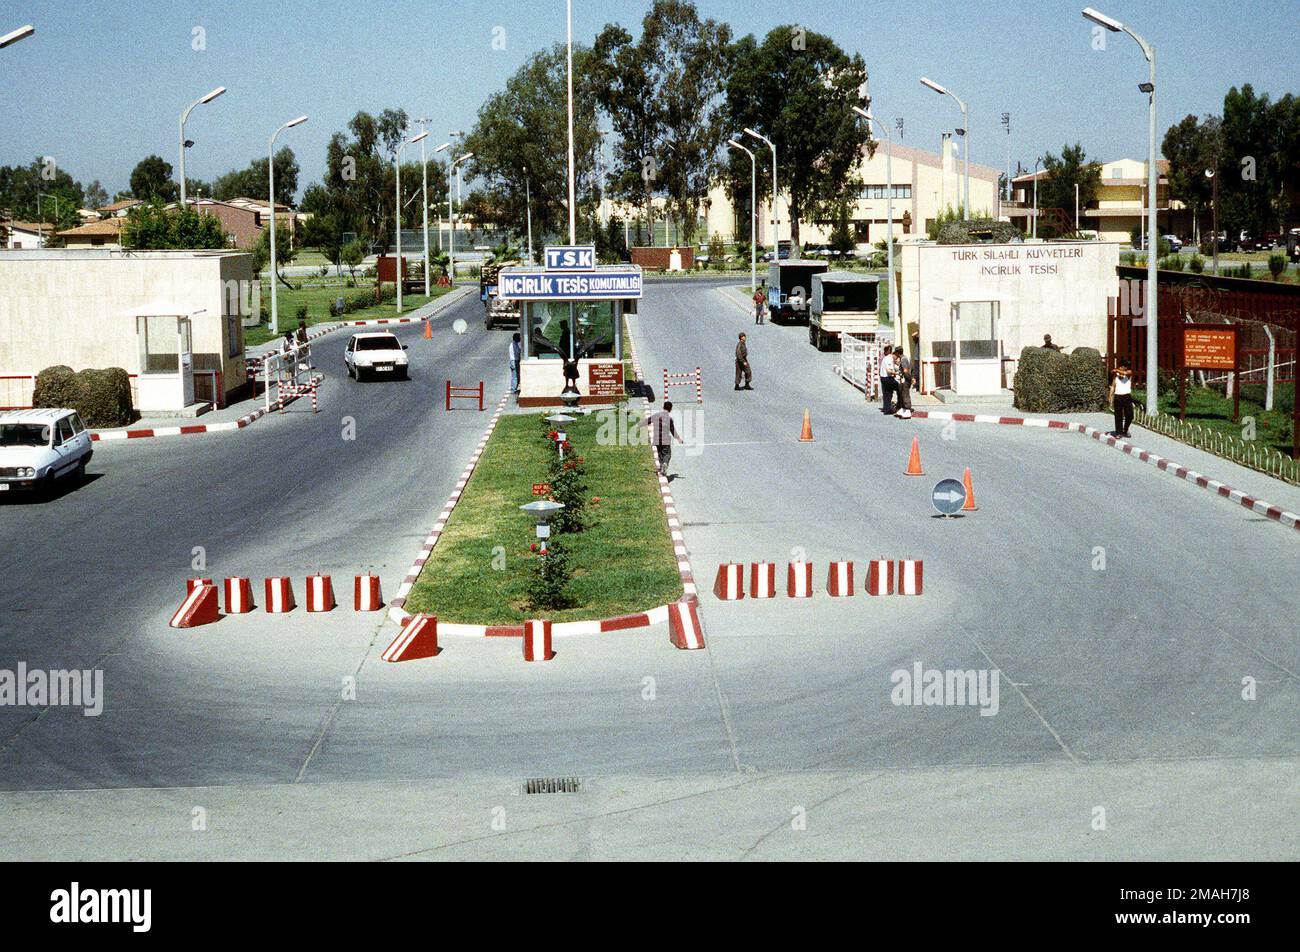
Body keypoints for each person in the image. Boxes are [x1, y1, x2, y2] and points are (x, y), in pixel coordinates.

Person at [645, 400, 683, 477]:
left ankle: (662, 466)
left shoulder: (656, 415)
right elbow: (672, 430)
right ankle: (664, 464)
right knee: (667, 454)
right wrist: (679, 439)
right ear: (670, 409)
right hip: (665, 440)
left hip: (656, 439)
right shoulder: (670, 419)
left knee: (660, 454)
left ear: (663, 407)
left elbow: (647, 421)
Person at [1108, 359, 1134, 438]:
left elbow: (1126, 373)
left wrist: (1116, 370)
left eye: (1123, 366)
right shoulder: (1116, 376)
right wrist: (1110, 396)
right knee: (1118, 415)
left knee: (1129, 415)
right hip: (1118, 397)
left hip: (1127, 396)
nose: (1121, 368)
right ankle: (1118, 432)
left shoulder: (1129, 373)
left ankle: (1125, 430)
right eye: (1120, 366)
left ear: (1125, 367)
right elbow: (1113, 386)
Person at [892, 346, 913, 418]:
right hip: (903, 380)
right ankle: (903, 409)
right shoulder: (903, 358)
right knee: (902, 395)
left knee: (905, 395)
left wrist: (909, 379)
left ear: (898, 353)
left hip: (905, 380)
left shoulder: (903, 359)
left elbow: (905, 371)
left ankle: (907, 410)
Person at [879, 347, 897, 414]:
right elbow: (889, 371)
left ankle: (886, 408)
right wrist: (896, 373)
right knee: (893, 391)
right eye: (896, 357)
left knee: (886, 393)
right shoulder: (889, 359)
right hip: (887, 378)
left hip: (883, 377)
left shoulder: (885, 358)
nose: (896, 359)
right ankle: (889, 409)